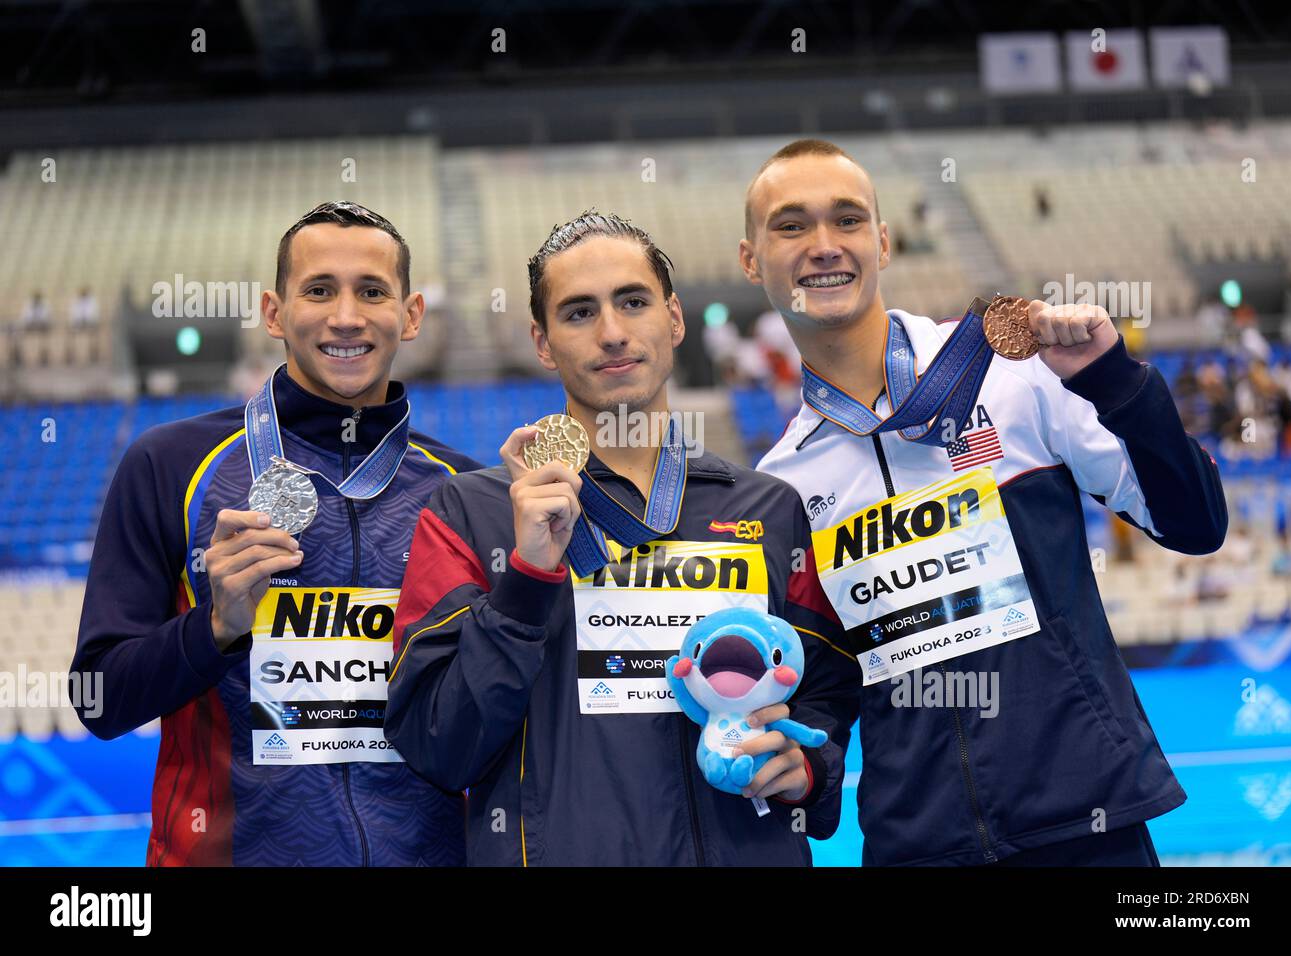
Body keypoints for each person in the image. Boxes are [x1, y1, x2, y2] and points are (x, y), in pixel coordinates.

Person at [738, 139, 1228, 866]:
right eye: (790, 225)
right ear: (751, 260)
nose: (822, 246)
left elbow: (1195, 524)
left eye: (846, 220)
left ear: (882, 241)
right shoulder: (781, 486)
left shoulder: (1009, 375)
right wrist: (807, 773)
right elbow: (825, 686)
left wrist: (1117, 383)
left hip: (1086, 826)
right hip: (919, 844)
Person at [384, 211, 860, 865]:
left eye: (632, 302)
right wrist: (526, 578)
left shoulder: (767, 507)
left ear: (674, 319)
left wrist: (808, 763)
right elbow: (440, 745)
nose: (611, 334)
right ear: (543, 342)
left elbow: (826, 689)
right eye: (579, 313)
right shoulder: (471, 513)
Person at [71, 200, 480, 866]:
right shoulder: (170, 464)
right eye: (319, 290)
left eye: (371, 291)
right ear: (273, 312)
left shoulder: (459, 489)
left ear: (410, 316)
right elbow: (99, 698)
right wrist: (217, 628)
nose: (346, 317)